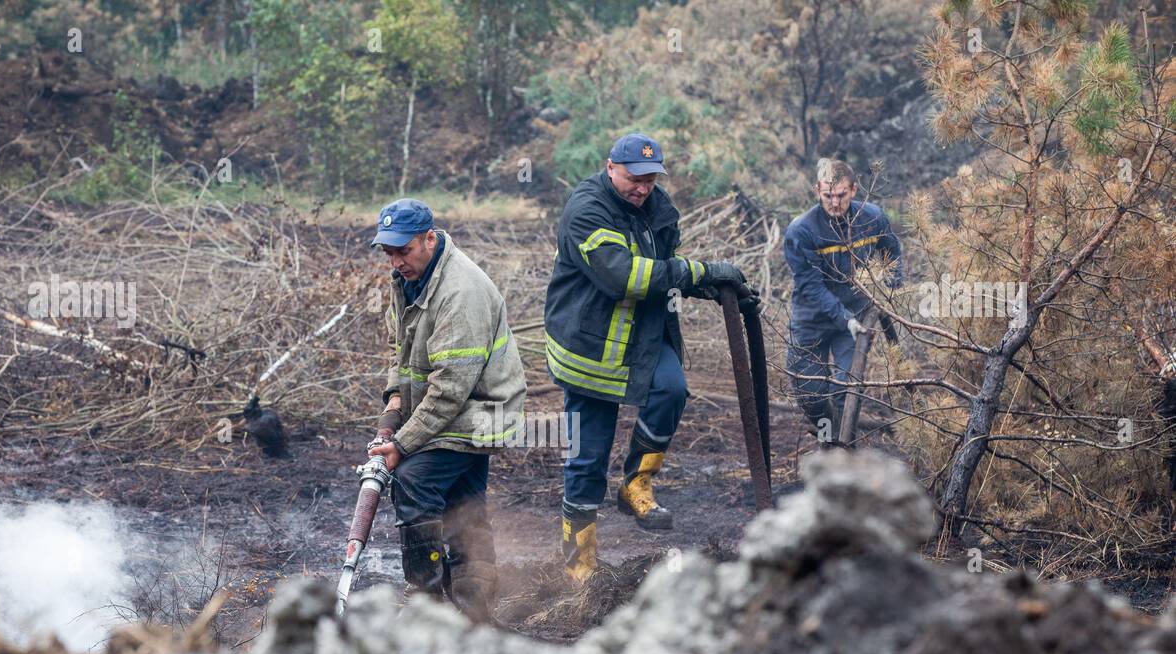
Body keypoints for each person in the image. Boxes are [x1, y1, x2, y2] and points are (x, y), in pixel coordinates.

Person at [543, 132, 754, 584]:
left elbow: (665, 267)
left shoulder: (657, 207)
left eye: (651, 179)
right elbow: (628, 277)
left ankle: (637, 481)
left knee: (672, 389)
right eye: (634, 179)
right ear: (610, 167)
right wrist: (703, 270)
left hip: (642, 335)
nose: (642, 188)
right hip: (590, 350)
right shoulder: (587, 211)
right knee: (587, 460)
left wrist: (716, 286)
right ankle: (579, 568)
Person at [370, 199, 527, 622]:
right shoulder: (408, 280)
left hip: (481, 411)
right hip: (455, 409)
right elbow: (399, 351)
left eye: (403, 250)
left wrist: (401, 443)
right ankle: (474, 611)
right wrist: (393, 407)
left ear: (429, 239)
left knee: (412, 480)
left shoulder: (460, 291)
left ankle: (426, 603)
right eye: (388, 251)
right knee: (464, 505)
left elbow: (449, 390)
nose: (396, 260)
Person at [783, 158, 903, 440]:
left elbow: (892, 250)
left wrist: (891, 285)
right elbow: (810, 286)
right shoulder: (802, 230)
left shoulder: (872, 217)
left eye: (841, 195)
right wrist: (843, 317)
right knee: (811, 395)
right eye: (828, 196)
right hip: (811, 321)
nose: (834, 203)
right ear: (817, 191)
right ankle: (829, 439)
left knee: (846, 390)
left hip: (855, 319)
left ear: (854, 190)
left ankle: (843, 451)